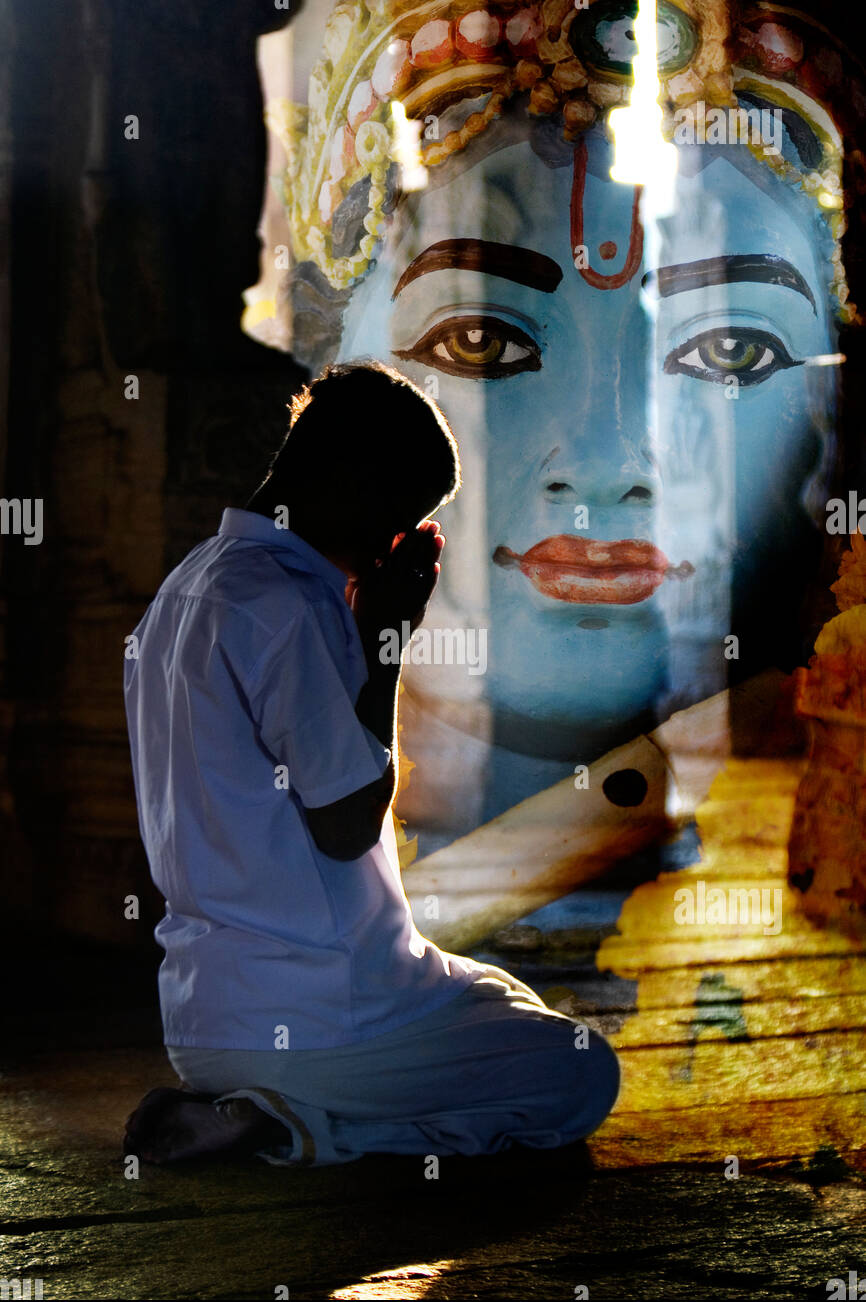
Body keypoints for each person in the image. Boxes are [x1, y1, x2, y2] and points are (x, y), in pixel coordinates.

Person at [243, 0, 863, 848]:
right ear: (328, 365)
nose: (604, 465)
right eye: (478, 340)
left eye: (728, 351)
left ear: (835, 414)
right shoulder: (240, 623)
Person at [123, 360, 620, 1166]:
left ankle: (256, 1104)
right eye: (395, 515)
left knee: (501, 996)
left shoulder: (180, 593)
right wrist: (385, 642)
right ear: (349, 479)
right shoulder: (289, 601)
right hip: (324, 1011)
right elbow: (348, 822)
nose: (391, 545)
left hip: (204, 1015)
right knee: (580, 1072)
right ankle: (293, 1127)